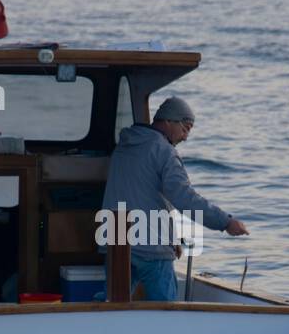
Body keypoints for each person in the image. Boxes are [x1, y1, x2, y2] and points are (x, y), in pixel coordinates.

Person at [100, 96, 248, 301]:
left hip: (116, 236)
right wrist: (225, 222)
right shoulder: (163, 151)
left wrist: (171, 240)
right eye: (186, 128)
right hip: (148, 244)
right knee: (167, 309)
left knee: (111, 303)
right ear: (169, 121)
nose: (186, 136)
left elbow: (143, 194)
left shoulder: (125, 145)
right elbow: (184, 198)